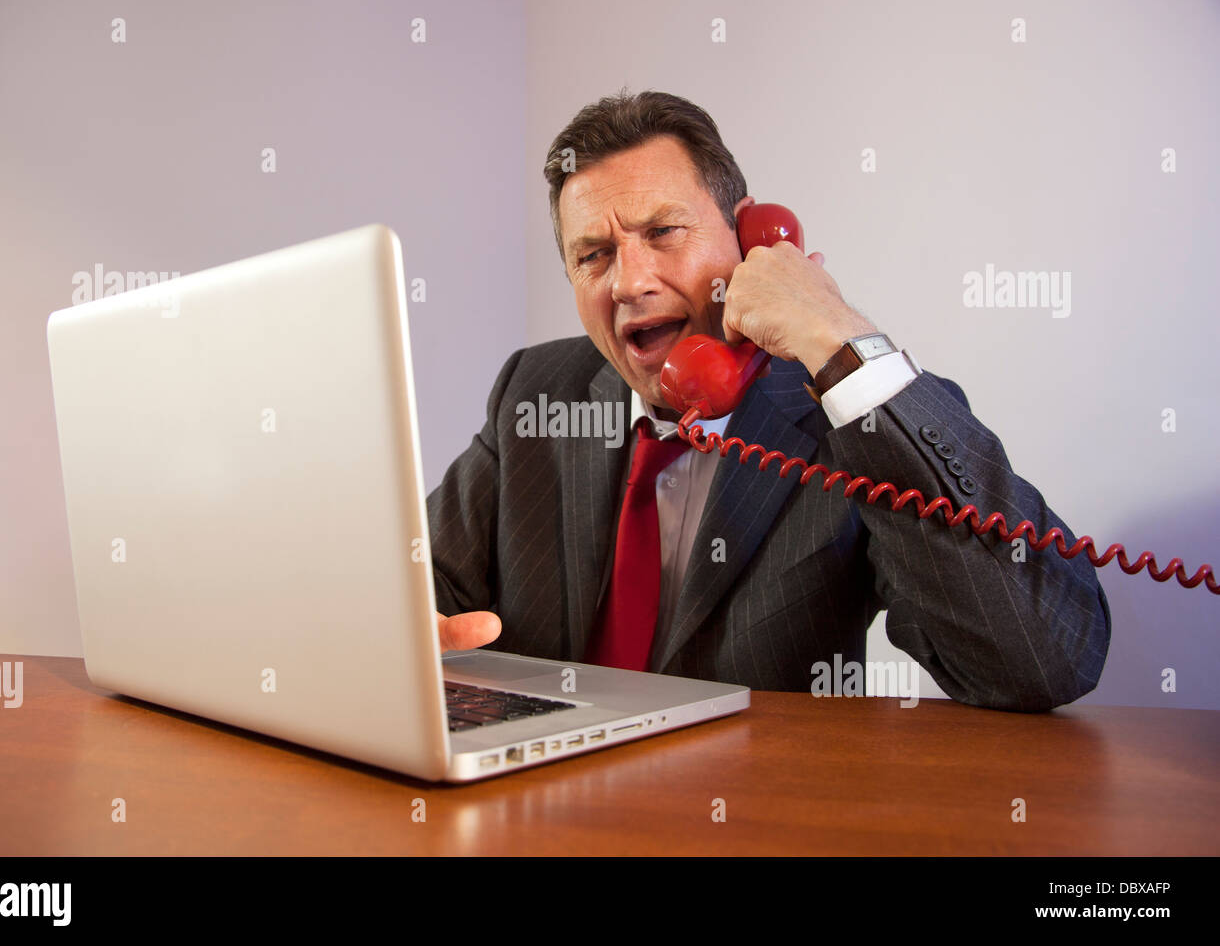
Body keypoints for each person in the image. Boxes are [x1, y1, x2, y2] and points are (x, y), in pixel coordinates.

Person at [428, 90, 1110, 711]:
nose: (630, 281)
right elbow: (418, 582)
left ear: (753, 240)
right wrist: (401, 627)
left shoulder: (855, 419)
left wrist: (844, 345)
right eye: (594, 254)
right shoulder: (538, 392)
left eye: (664, 232)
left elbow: (1046, 661)